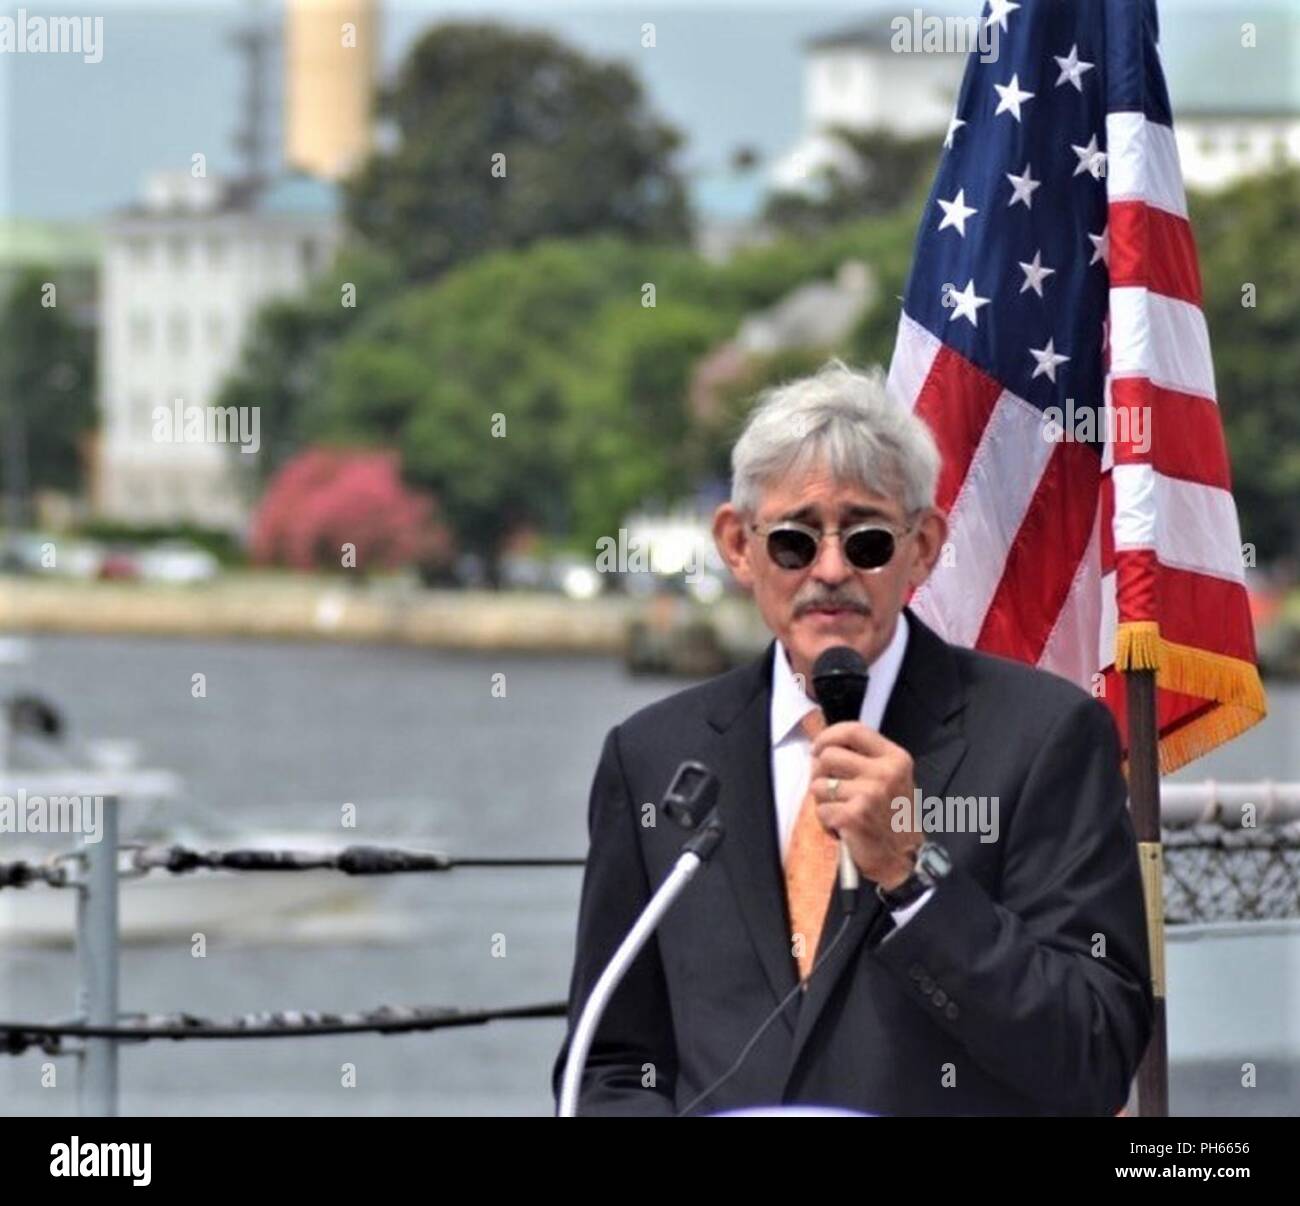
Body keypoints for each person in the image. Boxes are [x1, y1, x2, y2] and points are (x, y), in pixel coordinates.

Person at [553, 360, 1152, 1116]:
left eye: (867, 540)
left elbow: (1093, 1055)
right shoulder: (650, 755)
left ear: (924, 547)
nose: (830, 570)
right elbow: (610, 1065)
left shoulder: (1046, 738)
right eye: (794, 542)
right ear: (739, 545)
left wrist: (912, 875)